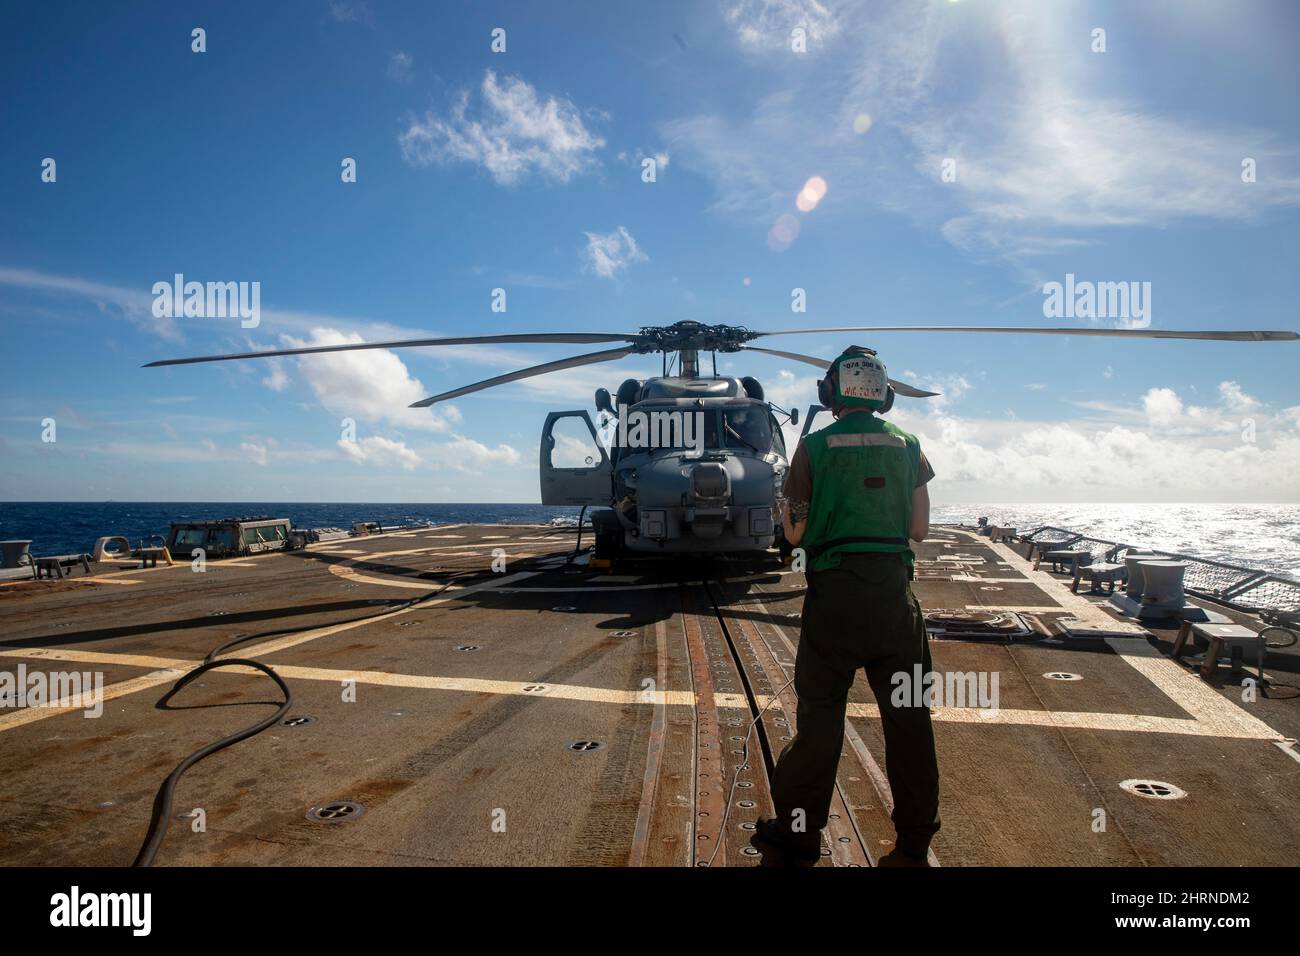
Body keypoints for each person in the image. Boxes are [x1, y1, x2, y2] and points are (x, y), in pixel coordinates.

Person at [753, 346, 940, 867]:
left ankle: (798, 835)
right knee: (909, 722)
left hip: (833, 603)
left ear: (831, 392)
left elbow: (795, 531)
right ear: (884, 393)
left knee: (819, 722)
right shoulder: (909, 446)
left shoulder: (813, 447)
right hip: (893, 606)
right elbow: (919, 530)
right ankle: (913, 845)